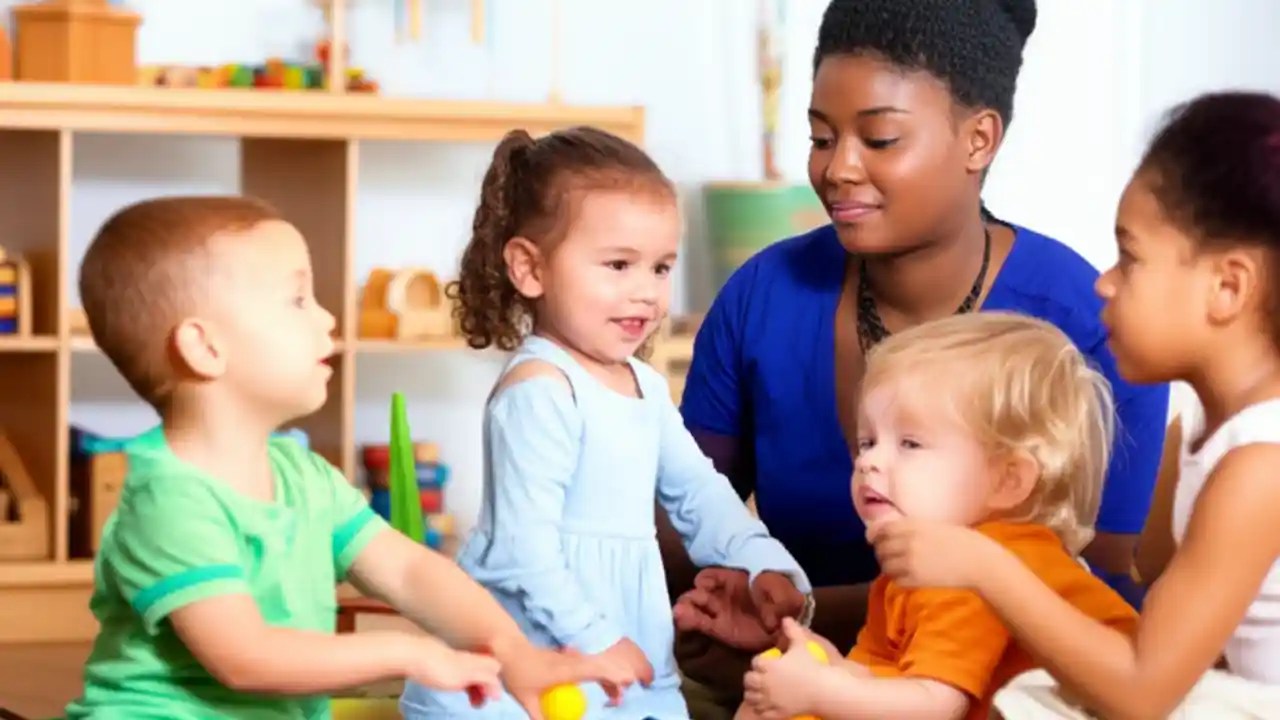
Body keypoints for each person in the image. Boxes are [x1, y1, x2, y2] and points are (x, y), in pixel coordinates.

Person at [665, 0, 1170, 706]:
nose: (838, 168)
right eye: (821, 137)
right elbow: (683, 513)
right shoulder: (761, 297)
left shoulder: (1088, 321)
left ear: (979, 139)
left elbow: (1081, 578)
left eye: (879, 138)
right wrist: (731, 616)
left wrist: (795, 619)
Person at [64, 197, 632, 720]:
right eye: (297, 299)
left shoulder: (303, 477)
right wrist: (408, 654)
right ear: (205, 347)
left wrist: (512, 651)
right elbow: (245, 657)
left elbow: (409, 571)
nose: (327, 318)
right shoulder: (170, 501)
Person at [870, 91, 1280, 718]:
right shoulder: (1198, 427)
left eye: (1130, 259)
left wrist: (990, 565)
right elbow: (1158, 583)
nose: (1104, 282)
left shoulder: (1260, 464)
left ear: (1227, 287)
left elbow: (1143, 692)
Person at [398, 127, 812, 719]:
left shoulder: (643, 386)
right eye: (619, 265)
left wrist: (763, 562)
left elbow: (699, 494)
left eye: (661, 268)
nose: (645, 293)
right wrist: (596, 640)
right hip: (528, 658)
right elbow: (523, 554)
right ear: (529, 269)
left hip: (621, 649)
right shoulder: (540, 390)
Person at [736, 313, 1138, 720]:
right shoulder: (914, 567)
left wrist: (821, 691)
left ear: (1007, 480)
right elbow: (884, 674)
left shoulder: (975, 568)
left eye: (910, 443)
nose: (869, 461)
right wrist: (827, 667)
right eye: (867, 441)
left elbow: (934, 706)